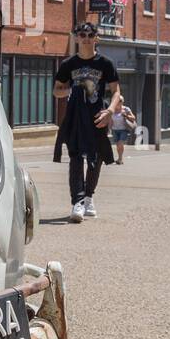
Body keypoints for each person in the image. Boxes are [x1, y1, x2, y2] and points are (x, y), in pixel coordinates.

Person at [53, 22, 121, 222]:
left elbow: (116, 91)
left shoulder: (105, 63)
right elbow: (56, 90)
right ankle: (78, 201)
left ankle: (89, 196)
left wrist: (109, 111)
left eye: (90, 35)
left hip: (97, 116)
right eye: (82, 34)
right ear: (76, 37)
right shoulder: (68, 64)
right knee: (75, 157)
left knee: (95, 158)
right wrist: (70, 90)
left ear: (96, 38)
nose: (86, 38)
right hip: (74, 117)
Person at [110, 94, 137, 164]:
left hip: (123, 129)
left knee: (120, 143)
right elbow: (110, 120)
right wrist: (109, 128)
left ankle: (120, 158)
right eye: (117, 100)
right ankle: (119, 158)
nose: (118, 102)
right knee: (117, 145)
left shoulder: (126, 109)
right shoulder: (112, 109)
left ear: (122, 102)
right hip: (115, 129)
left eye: (120, 101)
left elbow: (133, 118)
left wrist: (125, 115)